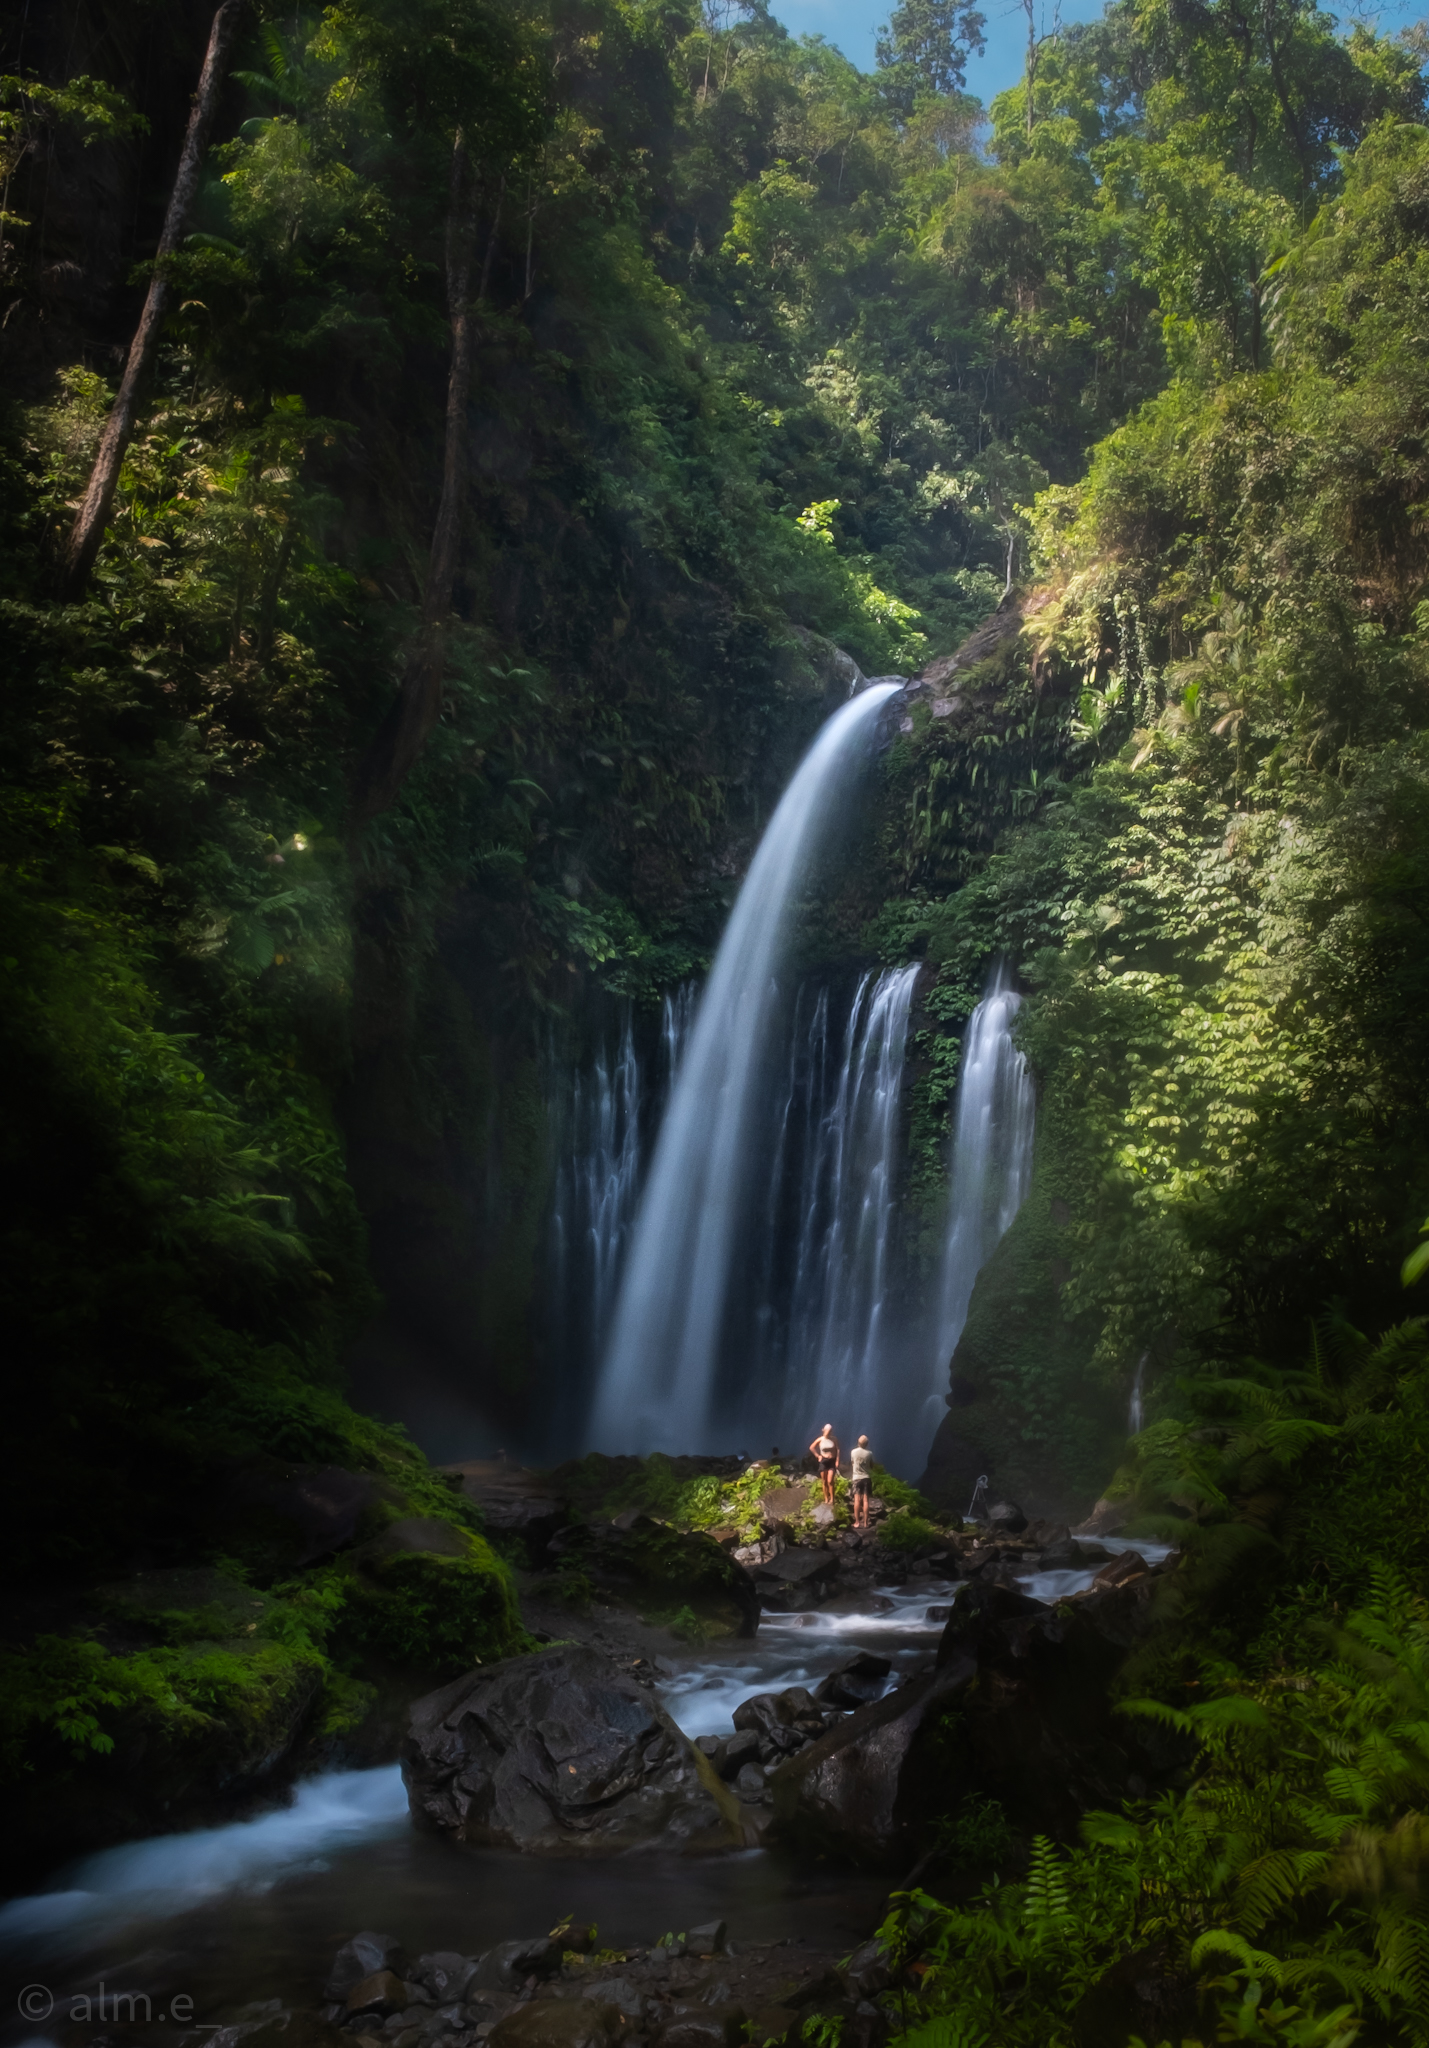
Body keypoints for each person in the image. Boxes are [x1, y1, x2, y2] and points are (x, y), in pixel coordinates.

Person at [809, 1422, 840, 1505]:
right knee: (824, 1481)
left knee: (830, 1481)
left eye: (831, 1431)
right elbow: (811, 1447)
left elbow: (837, 1449)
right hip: (823, 1461)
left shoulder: (834, 1439)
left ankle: (832, 1499)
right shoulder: (820, 1439)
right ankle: (826, 1499)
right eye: (828, 1431)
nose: (830, 1432)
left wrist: (837, 1460)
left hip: (832, 1461)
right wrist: (818, 1456)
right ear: (824, 1430)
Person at [849, 1434, 874, 1529]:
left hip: (856, 1478)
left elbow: (852, 1463)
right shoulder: (869, 1453)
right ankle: (866, 1523)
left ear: (858, 1442)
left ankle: (857, 1522)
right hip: (866, 1478)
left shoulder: (853, 1452)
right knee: (866, 1501)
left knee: (856, 1500)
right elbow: (872, 1466)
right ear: (867, 1444)